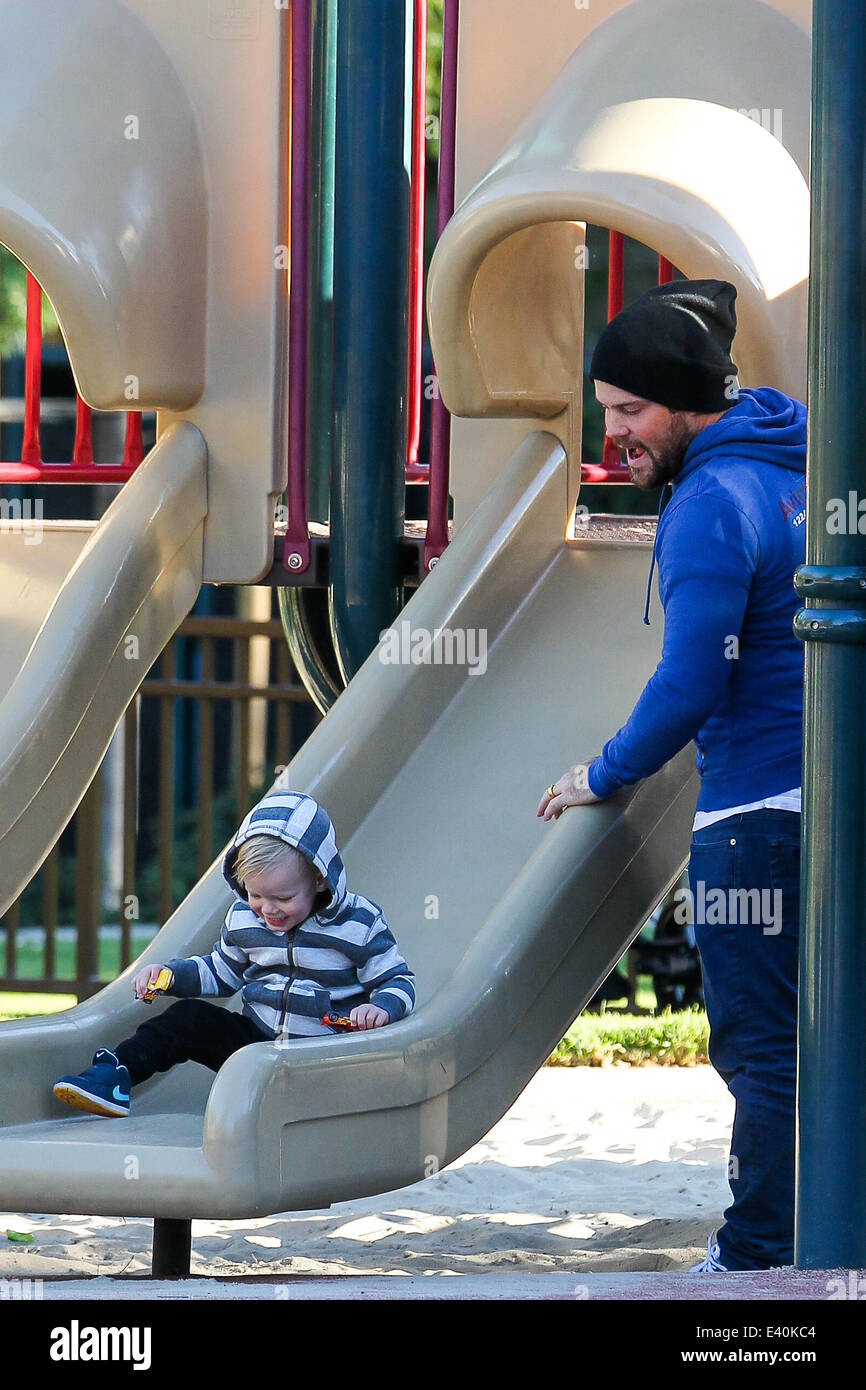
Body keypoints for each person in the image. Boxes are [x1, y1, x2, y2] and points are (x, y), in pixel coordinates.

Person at [537, 279, 806, 1273]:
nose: (614, 436)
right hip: (828, 798)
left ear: (691, 401)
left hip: (752, 815)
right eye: (604, 410)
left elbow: (693, 676)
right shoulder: (803, 453)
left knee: (758, 1046)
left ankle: (755, 1259)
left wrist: (602, 771)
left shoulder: (708, 503)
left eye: (629, 411)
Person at [53, 790, 416, 1118]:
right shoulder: (244, 918)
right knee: (188, 1018)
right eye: (256, 894)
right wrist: (171, 975)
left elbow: (397, 979)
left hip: (323, 1055)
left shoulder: (358, 923)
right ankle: (116, 1075)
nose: (267, 909)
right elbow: (222, 971)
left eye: (283, 898)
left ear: (320, 879)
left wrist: (381, 1006)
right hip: (255, 1049)